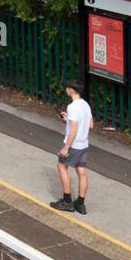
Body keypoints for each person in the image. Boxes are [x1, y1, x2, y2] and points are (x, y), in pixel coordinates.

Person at [51, 82, 92, 214]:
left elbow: (73, 130)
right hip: (84, 144)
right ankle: (80, 204)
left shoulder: (72, 107)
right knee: (81, 171)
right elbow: (90, 125)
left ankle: (67, 201)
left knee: (61, 166)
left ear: (71, 90)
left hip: (73, 145)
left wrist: (66, 148)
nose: (66, 90)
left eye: (67, 88)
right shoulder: (85, 104)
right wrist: (68, 119)